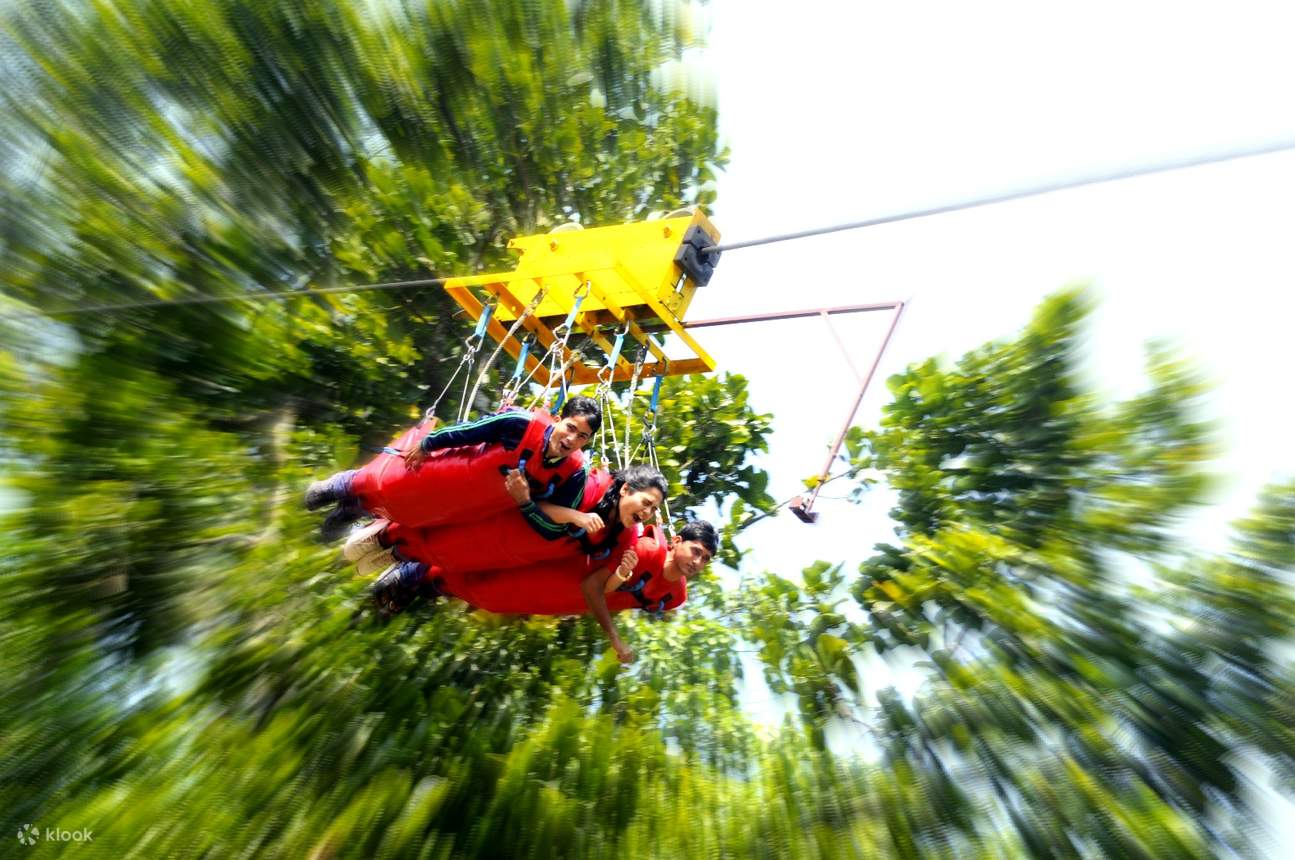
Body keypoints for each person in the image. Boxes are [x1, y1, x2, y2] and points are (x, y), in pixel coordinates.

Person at [370, 520, 719, 664]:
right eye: (696, 551)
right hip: (568, 577)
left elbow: (624, 596)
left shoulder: (676, 596)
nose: (698, 561)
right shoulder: (644, 550)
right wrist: (614, 639)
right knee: (493, 582)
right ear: (676, 542)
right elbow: (593, 585)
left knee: (489, 598)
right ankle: (412, 568)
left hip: (568, 601)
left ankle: (419, 585)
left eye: (705, 558)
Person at [304, 397, 601, 539]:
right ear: (559, 419)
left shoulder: (573, 473)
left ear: (587, 442)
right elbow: (470, 431)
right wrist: (428, 443)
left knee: (412, 510)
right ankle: (339, 487)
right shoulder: (520, 425)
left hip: (465, 506)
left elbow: (552, 526)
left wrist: (529, 502)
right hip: (450, 474)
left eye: (582, 436)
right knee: (395, 484)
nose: (571, 439)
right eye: (571, 427)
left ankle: (352, 511)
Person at [344, 464, 667, 577]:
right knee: (451, 536)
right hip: (511, 525)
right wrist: (576, 516)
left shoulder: (620, 534)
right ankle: (386, 536)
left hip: (517, 553)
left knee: (451, 555)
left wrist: (624, 574)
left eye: (653, 510)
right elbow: (544, 504)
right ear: (626, 489)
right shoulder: (591, 486)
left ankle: (398, 553)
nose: (646, 513)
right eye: (647, 503)